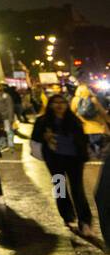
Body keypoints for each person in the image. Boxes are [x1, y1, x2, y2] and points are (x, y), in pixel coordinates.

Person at [32, 92, 95, 238]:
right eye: (56, 102)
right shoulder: (43, 121)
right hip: (54, 159)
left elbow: (82, 140)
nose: (60, 105)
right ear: (50, 105)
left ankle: (85, 221)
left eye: (63, 102)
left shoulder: (73, 120)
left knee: (77, 190)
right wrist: (44, 136)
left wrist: (85, 154)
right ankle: (67, 216)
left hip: (74, 160)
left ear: (67, 105)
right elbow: (35, 137)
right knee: (60, 188)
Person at [70, 75, 108, 160]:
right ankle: (98, 155)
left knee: (87, 144)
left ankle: (91, 156)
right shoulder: (93, 99)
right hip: (97, 127)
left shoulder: (75, 100)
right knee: (99, 143)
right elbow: (102, 112)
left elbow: (71, 113)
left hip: (83, 127)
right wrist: (108, 120)